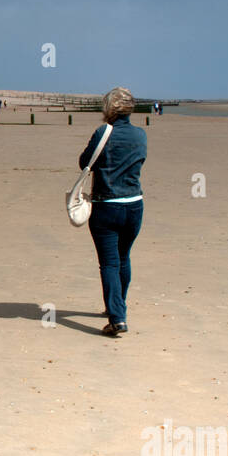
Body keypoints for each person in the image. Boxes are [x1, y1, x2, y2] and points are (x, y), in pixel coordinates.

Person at [78, 86, 147, 337]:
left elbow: (85, 162)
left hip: (107, 206)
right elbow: (140, 161)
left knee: (109, 262)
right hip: (134, 205)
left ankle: (117, 316)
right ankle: (117, 306)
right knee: (123, 257)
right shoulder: (140, 135)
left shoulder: (103, 133)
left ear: (109, 108)